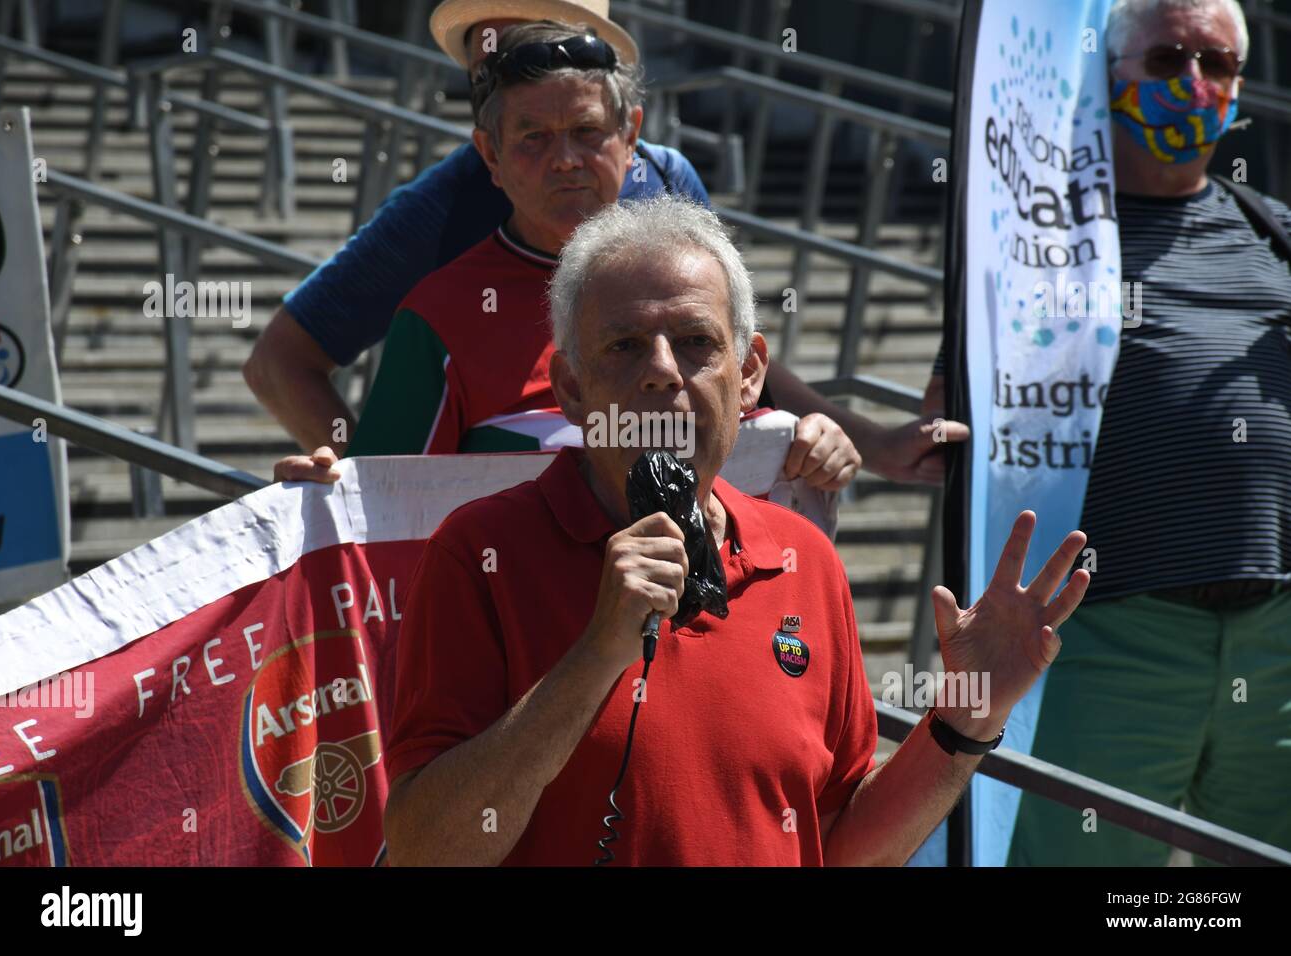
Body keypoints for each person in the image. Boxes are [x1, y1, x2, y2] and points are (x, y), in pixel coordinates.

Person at [381, 195, 1090, 866]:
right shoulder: (480, 554)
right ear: (570, 387)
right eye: (624, 346)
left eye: (695, 342)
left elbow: (839, 845)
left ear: (749, 374)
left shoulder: (802, 557)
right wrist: (598, 654)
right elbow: (427, 849)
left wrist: (969, 717)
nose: (662, 372)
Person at [255, 0, 968, 487]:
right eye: (489, 67)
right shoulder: (438, 212)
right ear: (490, 143)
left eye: (534, 46)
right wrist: (351, 477)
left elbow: (723, 356)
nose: (562, 156)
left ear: (625, 129)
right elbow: (281, 362)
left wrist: (864, 440)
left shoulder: (664, 175)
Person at [929, 0, 1291, 864]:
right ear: (1109, 72)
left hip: (1276, 639)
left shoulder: (1272, 229)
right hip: (1112, 635)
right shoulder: (1039, 241)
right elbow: (979, 409)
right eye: (1168, 61)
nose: (1196, 86)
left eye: (1219, 65)